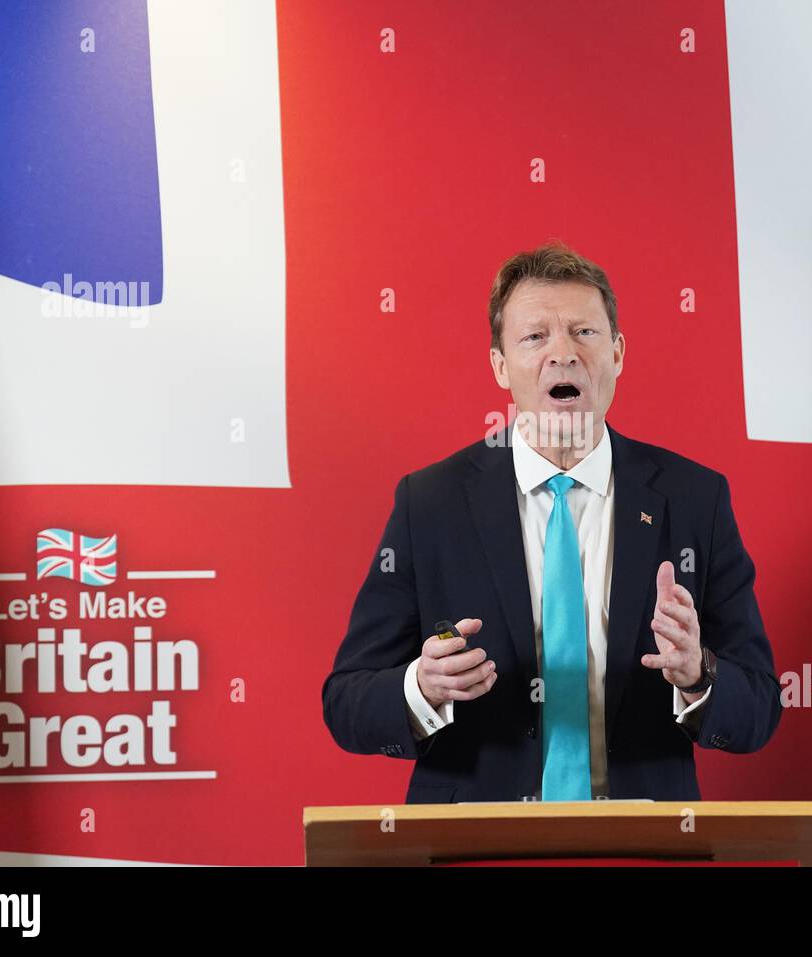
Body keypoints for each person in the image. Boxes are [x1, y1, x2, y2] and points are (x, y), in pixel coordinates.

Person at [322, 241, 781, 802]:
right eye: (535, 336)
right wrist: (422, 687)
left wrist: (698, 672)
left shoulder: (694, 498)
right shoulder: (430, 502)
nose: (562, 353)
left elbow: (758, 707)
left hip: (640, 846)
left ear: (617, 353)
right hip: (477, 844)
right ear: (499, 364)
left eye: (584, 333)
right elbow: (346, 702)